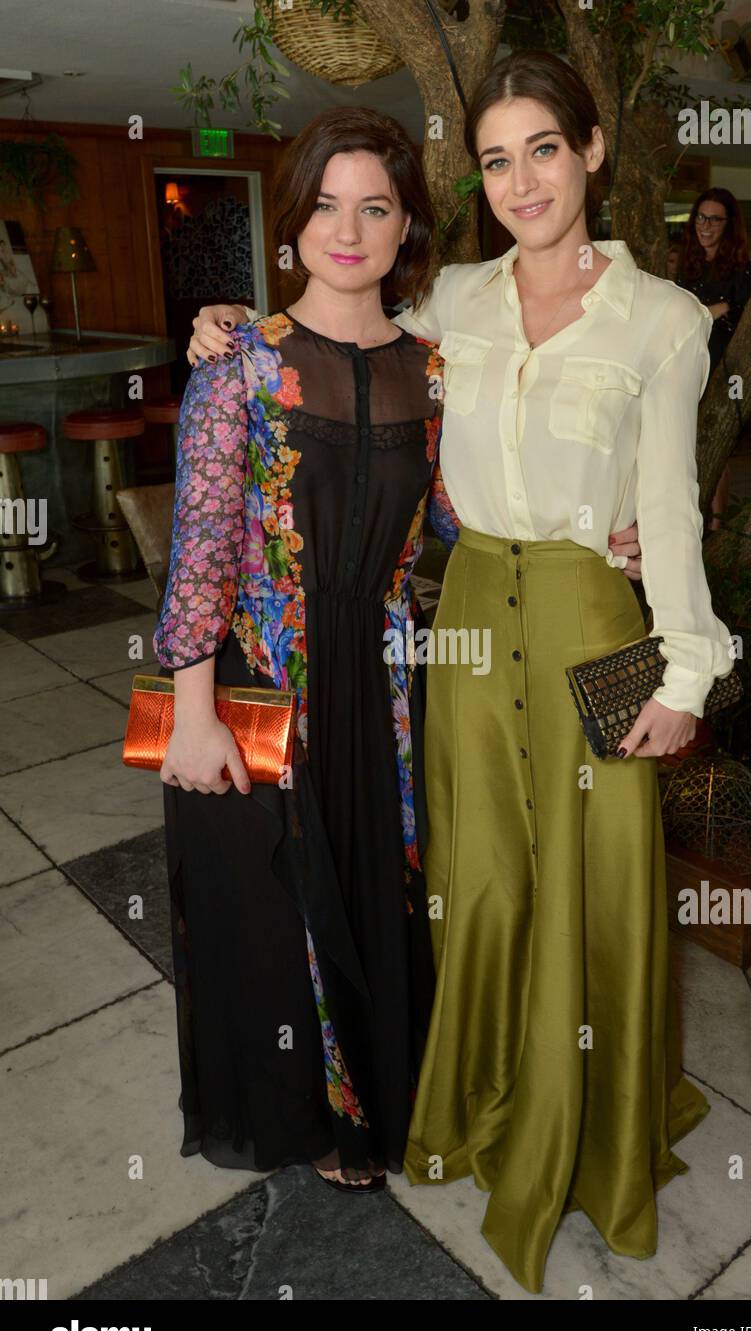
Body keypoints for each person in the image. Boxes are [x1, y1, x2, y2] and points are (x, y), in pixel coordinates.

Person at [186, 50, 732, 1295]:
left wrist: (685, 675)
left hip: (595, 624)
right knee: (478, 883)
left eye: (544, 147)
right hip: (469, 623)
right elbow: (344, 349)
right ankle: (478, 1095)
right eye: (495, 159)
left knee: (591, 889)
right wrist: (222, 327)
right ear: (475, 180)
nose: (522, 179)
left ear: (593, 153)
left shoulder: (664, 322)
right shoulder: (455, 305)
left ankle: (586, 1136)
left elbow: (673, 519)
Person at [155, 107, 461, 1193]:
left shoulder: (436, 373)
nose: (349, 227)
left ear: (403, 225)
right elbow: (197, 550)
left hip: (383, 683)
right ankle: (313, 1113)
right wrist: (189, 716)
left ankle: (380, 1095)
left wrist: (597, 529)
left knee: (378, 890)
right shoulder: (238, 359)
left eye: (374, 204)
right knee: (281, 912)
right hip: (260, 678)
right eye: (326, 203)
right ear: (293, 223)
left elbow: (464, 524)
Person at [676, 187, 751, 529]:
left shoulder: (740, 266)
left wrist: (707, 312)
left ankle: (718, 524)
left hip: (720, 360)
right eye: (701, 217)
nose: (705, 225)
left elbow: (738, 312)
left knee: (715, 443)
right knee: (683, 441)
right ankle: (688, 516)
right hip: (684, 357)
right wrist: (710, 311)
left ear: (728, 224)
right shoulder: (687, 261)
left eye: (714, 219)